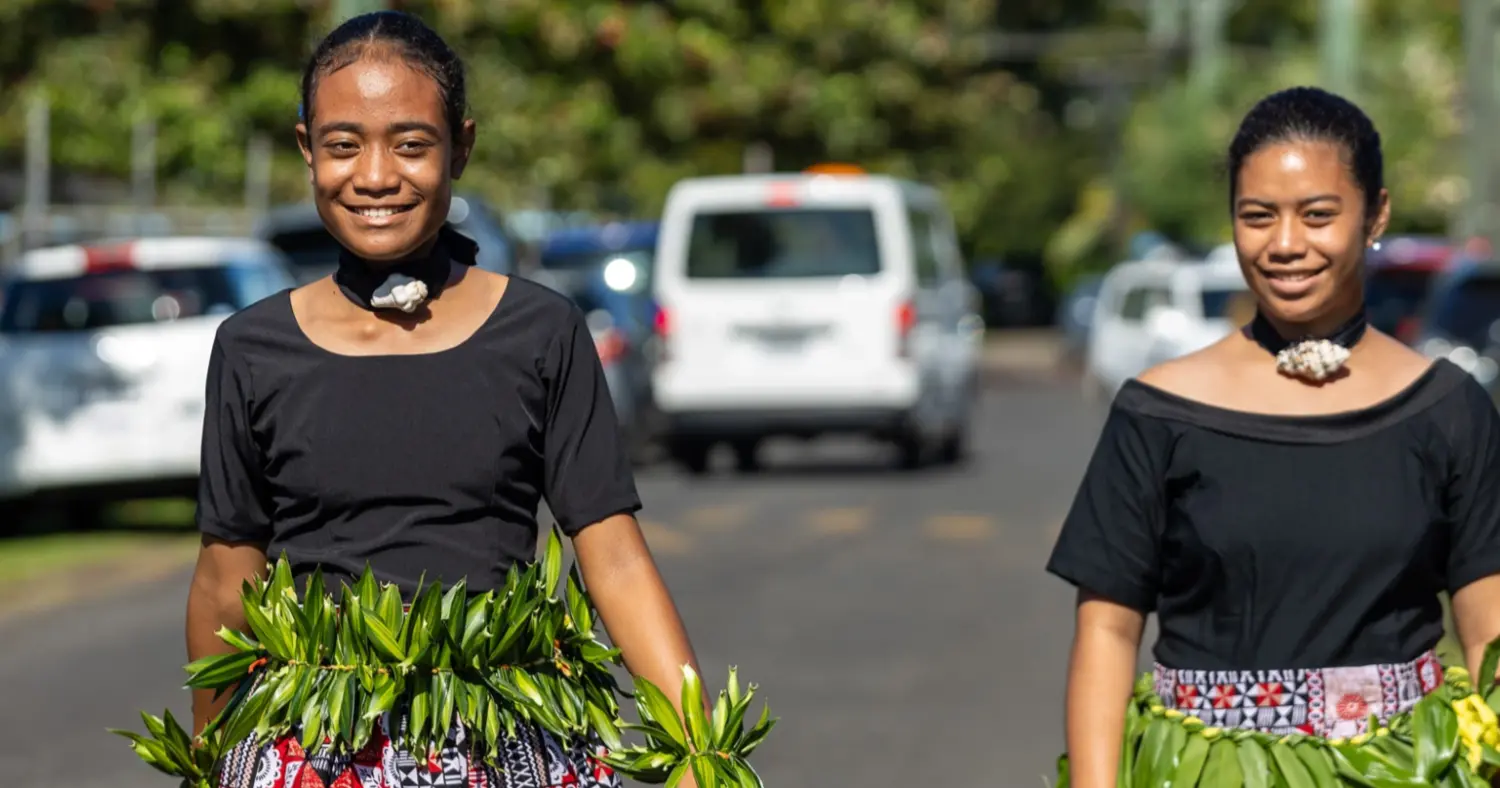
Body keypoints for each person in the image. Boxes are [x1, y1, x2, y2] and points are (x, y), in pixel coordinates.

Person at [186, 12, 701, 788]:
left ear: (461, 146)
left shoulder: (540, 333)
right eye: (343, 144)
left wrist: (700, 753)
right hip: (310, 749)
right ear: (307, 149)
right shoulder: (254, 349)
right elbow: (228, 580)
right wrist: (210, 759)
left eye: (411, 143)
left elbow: (615, 559)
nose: (376, 175)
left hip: (501, 743)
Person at [1045, 86, 1500, 786]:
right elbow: (1107, 632)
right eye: (1258, 217)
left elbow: (1490, 632)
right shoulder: (1159, 411)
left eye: (1318, 215)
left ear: (1374, 214)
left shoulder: (1447, 410)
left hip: (1406, 772)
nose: (1286, 245)